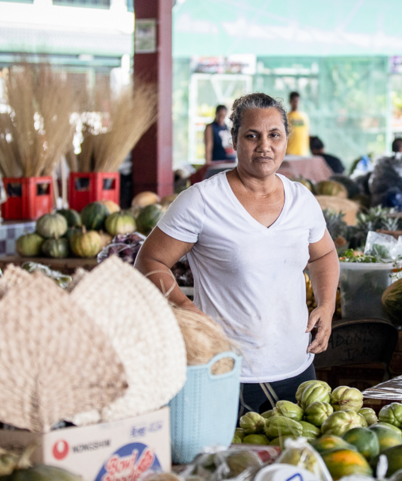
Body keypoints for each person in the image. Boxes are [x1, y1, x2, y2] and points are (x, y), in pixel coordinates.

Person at [136, 93, 339, 413]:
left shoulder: (302, 200)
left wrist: (327, 306)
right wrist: (188, 311)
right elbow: (149, 261)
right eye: (252, 136)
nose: (264, 146)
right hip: (225, 370)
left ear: (287, 139)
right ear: (234, 140)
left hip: (298, 369)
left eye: (274, 135)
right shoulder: (202, 200)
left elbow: (324, 255)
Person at [286, 92, 310, 157]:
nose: (296, 103)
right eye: (294, 101)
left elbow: (307, 134)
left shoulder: (304, 116)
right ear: (290, 102)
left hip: (303, 153)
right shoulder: (286, 117)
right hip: (289, 152)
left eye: (297, 101)